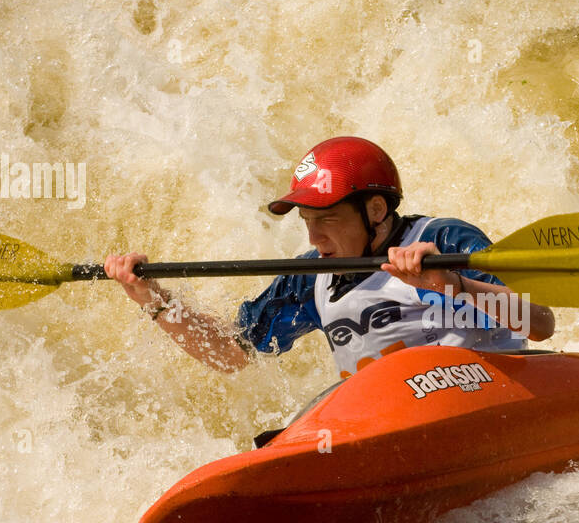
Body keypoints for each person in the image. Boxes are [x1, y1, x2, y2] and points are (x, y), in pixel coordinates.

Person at [104, 136, 554, 379]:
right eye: (306, 221)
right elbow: (233, 353)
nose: (316, 238)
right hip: (385, 423)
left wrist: (453, 285)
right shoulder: (310, 279)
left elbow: (539, 321)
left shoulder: (443, 240)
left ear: (375, 210)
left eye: (329, 220)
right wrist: (152, 298)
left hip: (483, 395)